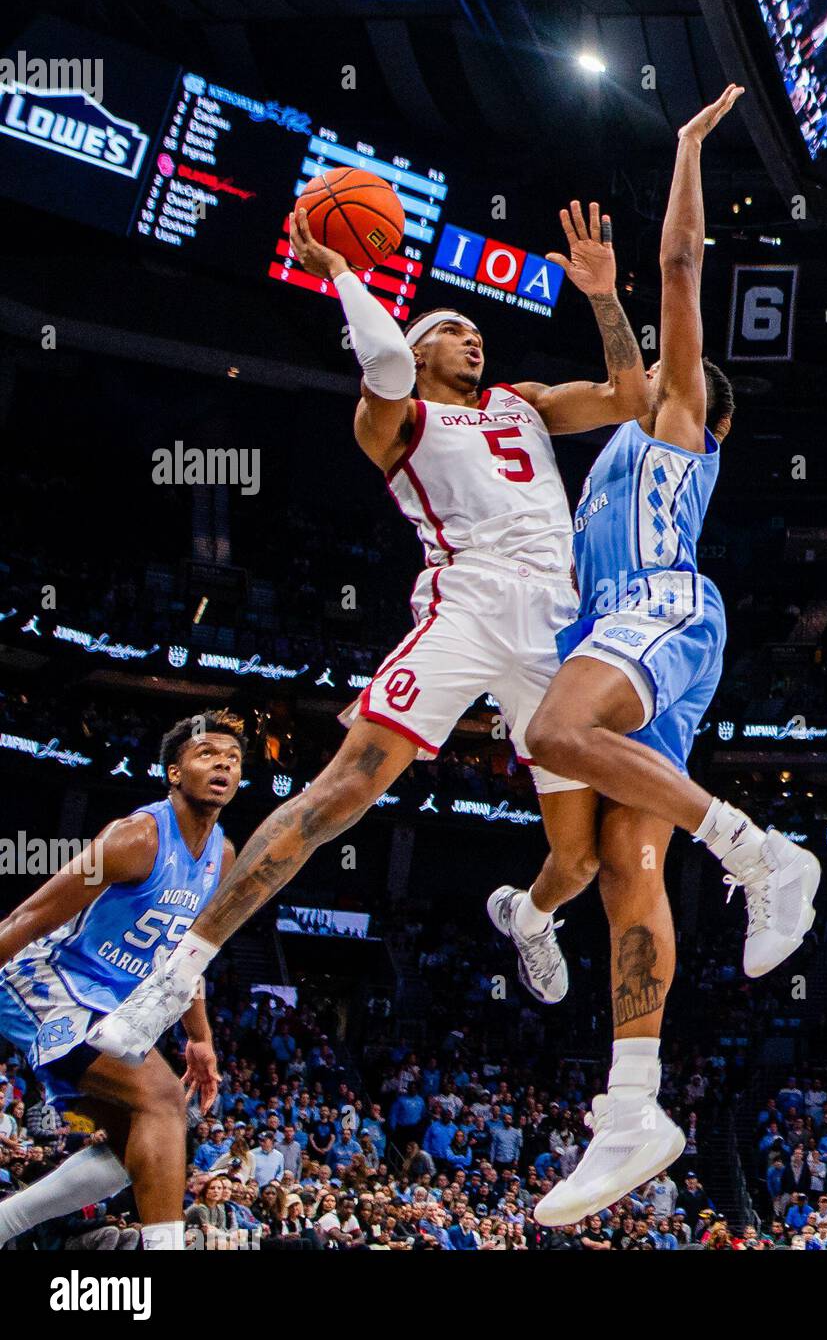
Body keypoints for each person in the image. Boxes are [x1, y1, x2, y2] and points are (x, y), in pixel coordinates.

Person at [85, 201, 654, 1060]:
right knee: (339, 794)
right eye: (454, 330)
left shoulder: (523, 402)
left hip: (555, 625)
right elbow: (383, 358)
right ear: (420, 347)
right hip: (464, 605)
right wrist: (343, 271)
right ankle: (174, 975)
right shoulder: (391, 420)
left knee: (576, 862)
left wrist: (604, 297)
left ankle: (527, 916)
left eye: (477, 333)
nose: (475, 341)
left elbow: (632, 397)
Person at [492, 86, 820, 1226]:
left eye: (664, 391)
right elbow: (626, 366)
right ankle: (633, 1106)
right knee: (625, 869)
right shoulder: (621, 441)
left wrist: (685, 149)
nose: (643, 396)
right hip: (619, 638)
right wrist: (596, 304)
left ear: (701, 414)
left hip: (664, 611)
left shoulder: (684, 422)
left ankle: (761, 852)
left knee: (553, 731)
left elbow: (679, 275)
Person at [0, 710, 242, 1250]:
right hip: (47, 979)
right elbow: (26, 918)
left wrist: (199, 1038)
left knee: (142, 1138)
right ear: (175, 773)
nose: (223, 762)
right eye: (207, 754)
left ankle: (4, 1224)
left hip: (109, 1002)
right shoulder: (134, 838)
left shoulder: (222, 856)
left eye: (232, 758)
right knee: (161, 1100)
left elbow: (188, 956)